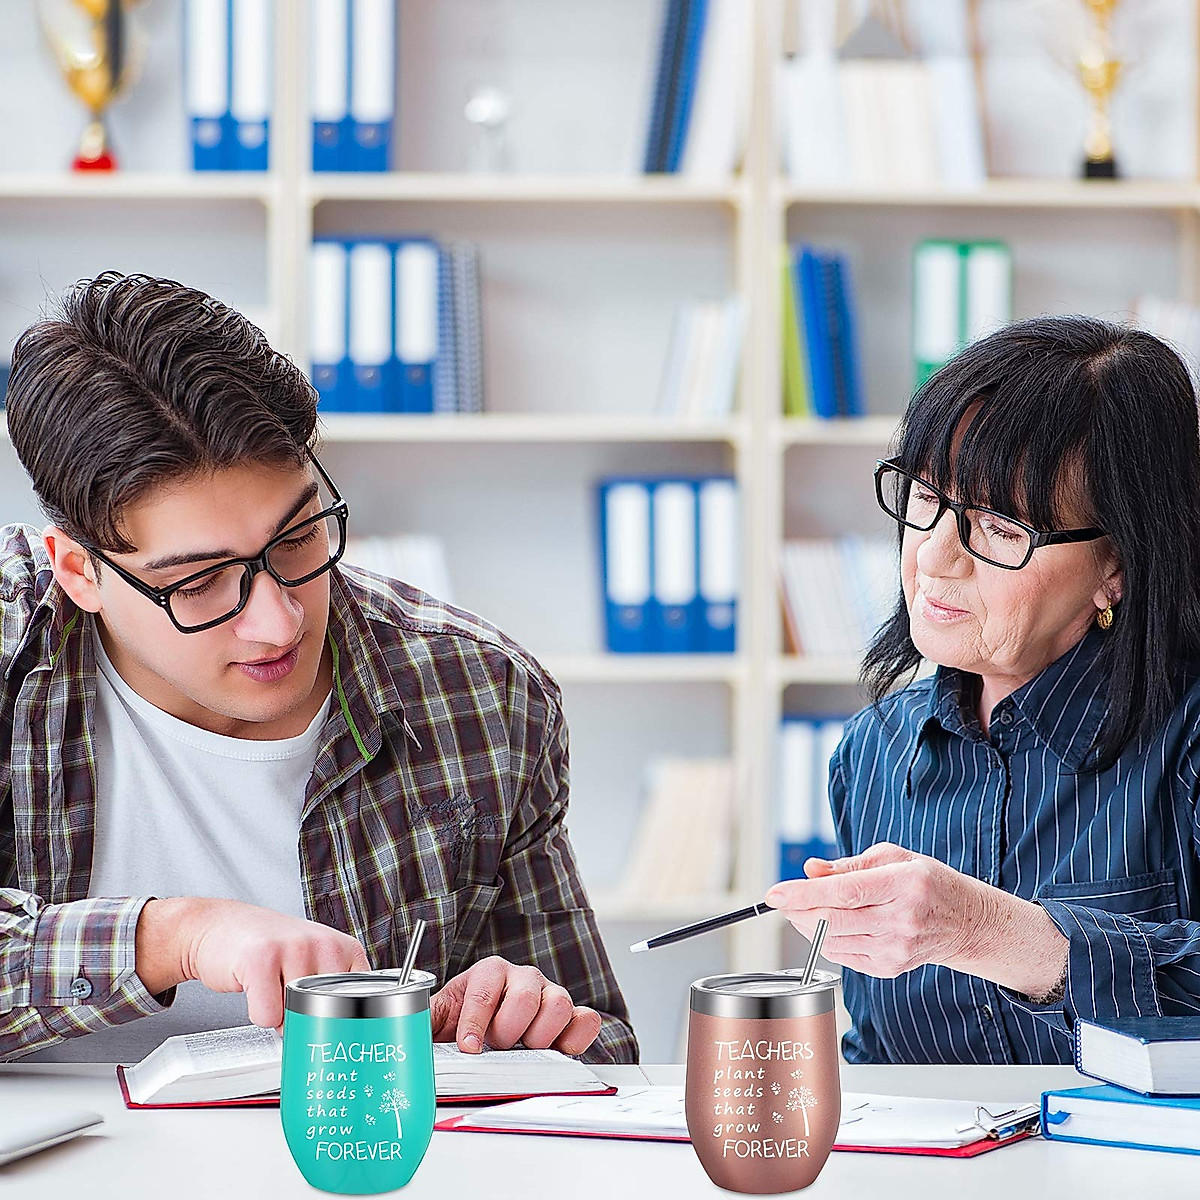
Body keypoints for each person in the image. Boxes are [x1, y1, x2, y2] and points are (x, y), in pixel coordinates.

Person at [0, 271, 638, 1065]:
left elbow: (605, 1048)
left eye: (298, 537)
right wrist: (172, 935)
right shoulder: (9, 649)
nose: (280, 621)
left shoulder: (481, 696)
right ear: (77, 571)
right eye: (198, 581)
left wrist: (521, 1028)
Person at [764, 315, 1200, 1064]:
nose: (934, 557)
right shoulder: (874, 751)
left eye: (999, 526)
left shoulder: (1184, 734)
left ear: (1118, 565)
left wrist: (993, 933)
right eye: (926, 497)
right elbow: (883, 1053)